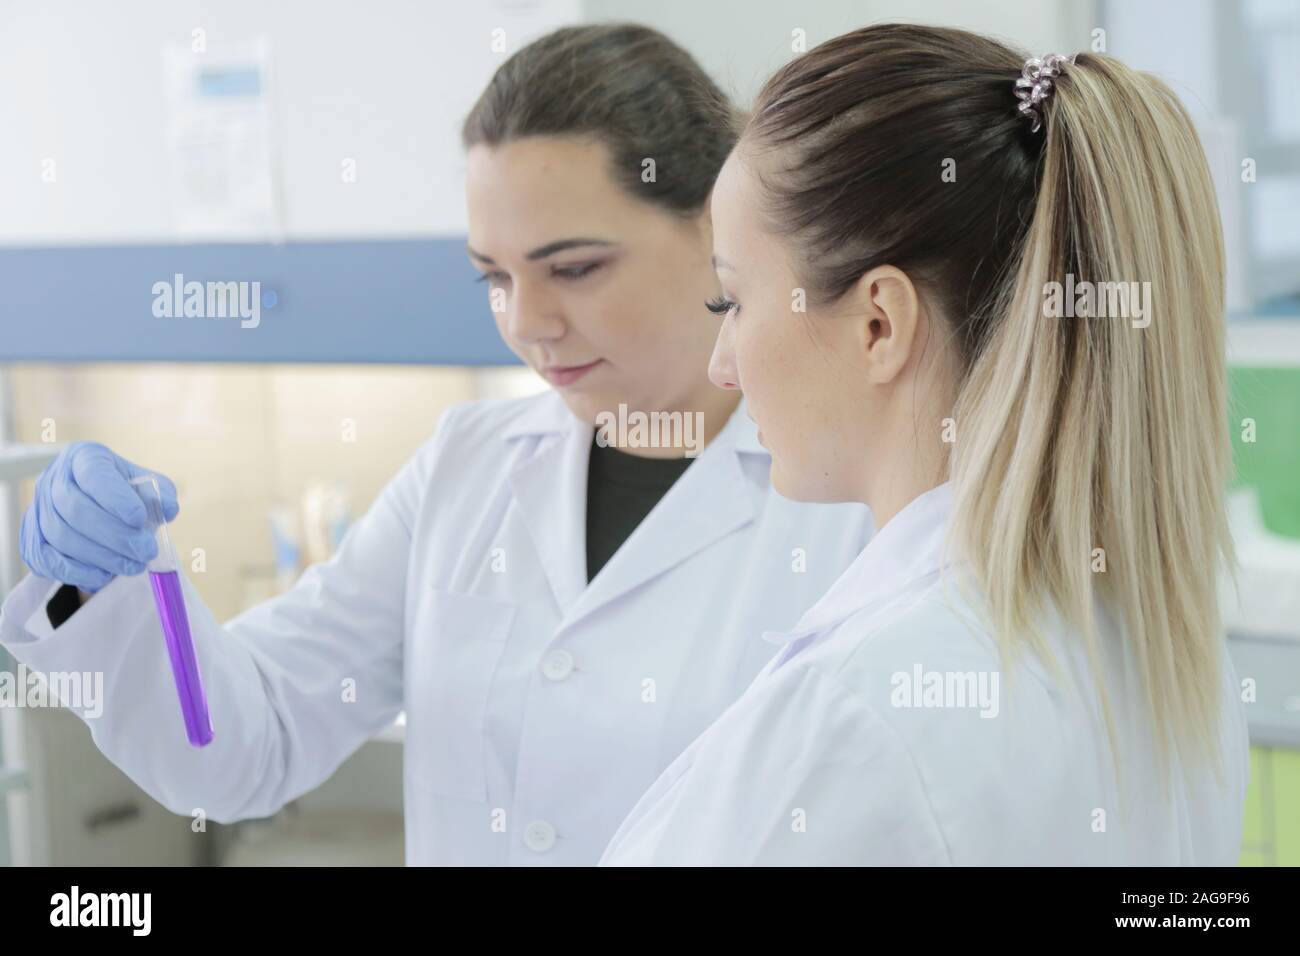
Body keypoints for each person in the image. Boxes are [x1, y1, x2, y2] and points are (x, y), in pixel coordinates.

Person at [0, 23, 872, 866]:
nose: (527, 324)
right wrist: (121, 586)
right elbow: (237, 744)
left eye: (574, 268)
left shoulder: (848, 499)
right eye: (494, 276)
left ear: (710, 228)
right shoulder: (470, 462)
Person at [600, 24, 1249, 865]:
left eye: (732, 303)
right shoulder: (1161, 656)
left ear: (880, 323)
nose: (723, 366)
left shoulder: (863, 709)